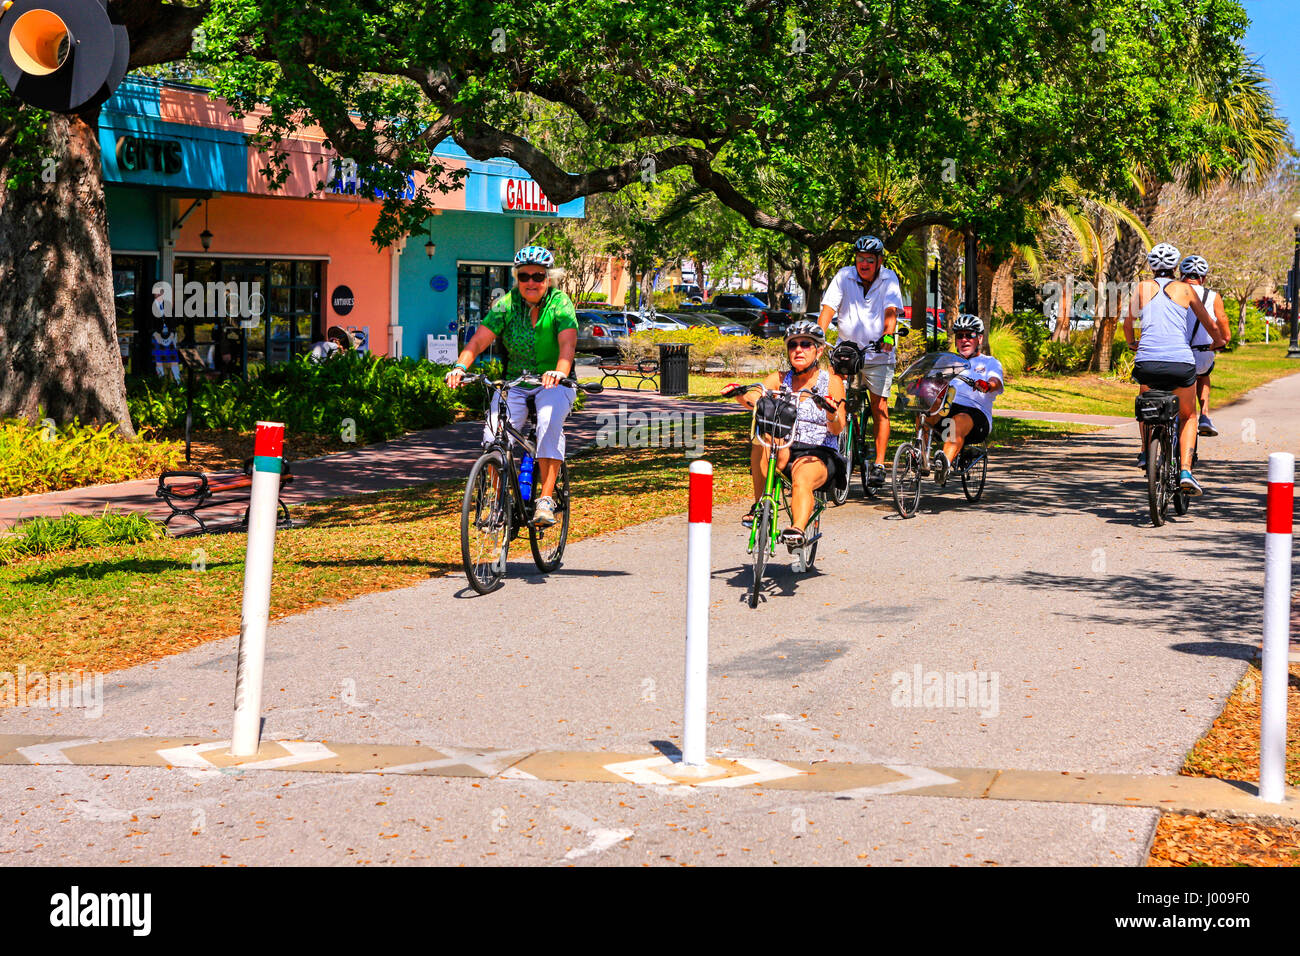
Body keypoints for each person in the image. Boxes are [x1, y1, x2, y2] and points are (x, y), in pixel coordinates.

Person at [444, 246, 578, 528]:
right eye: (525, 276)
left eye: (538, 276)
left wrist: (559, 372)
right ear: (517, 278)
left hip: (554, 381)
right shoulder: (506, 304)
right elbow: (479, 341)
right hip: (515, 383)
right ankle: (497, 500)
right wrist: (460, 366)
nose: (531, 282)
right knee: (493, 433)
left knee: (547, 422)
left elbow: (567, 345)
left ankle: (545, 499)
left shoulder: (560, 303)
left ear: (548, 278)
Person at [724, 320, 847, 547]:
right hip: (782, 447)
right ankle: (760, 505)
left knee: (802, 475)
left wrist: (830, 412)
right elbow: (756, 399)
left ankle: (797, 529)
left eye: (805, 345)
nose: (798, 350)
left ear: (819, 350)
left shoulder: (832, 382)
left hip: (818, 452)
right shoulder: (778, 380)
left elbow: (838, 428)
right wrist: (740, 395)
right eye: (793, 345)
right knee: (761, 439)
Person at [1123, 242, 1225, 495]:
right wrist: (1219, 341)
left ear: (1151, 267)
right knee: (1188, 416)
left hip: (1147, 363)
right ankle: (1186, 471)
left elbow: (1128, 323)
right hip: (1180, 363)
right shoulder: (1186, 290)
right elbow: (1210, 324)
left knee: (1146, 406)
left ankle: (1147, 453)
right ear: (1176, 268)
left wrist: (1132, 343)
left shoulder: (1142, 288)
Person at [817, 235, 903, 490]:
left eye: (869, 260)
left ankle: (878, 464)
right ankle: (831, 452)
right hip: (847, 352)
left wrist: (888, 334)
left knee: (879, 407)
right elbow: (828, 310)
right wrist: (817, 336)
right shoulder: (844, 276)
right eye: (859, 259)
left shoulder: (889, 279)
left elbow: (890, 312)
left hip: (878, 355)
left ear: (878, 261)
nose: (863, 264)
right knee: (834, 401)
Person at [924, 314, 1003, 485]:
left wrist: (988, 385)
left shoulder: (990, 362)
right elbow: (931, 383)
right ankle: (921, 458)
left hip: (976, 415)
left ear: (980, 338)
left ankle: (943, 464)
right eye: (960, 336)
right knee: (926, 407)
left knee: (957, 421)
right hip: (948, 407)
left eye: (970, 335)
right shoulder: (947, 361)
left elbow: (995, 381)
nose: (964, 340)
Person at [1177, 255, 1231, 437]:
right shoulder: (1213, 296)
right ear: (1204, 277)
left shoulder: (1173, 291)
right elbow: (1222, 319)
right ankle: (1205, 415)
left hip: (1176, 351)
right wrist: (1225, 339)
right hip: (1202, 352)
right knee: (1203, 375)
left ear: (1181, 274)